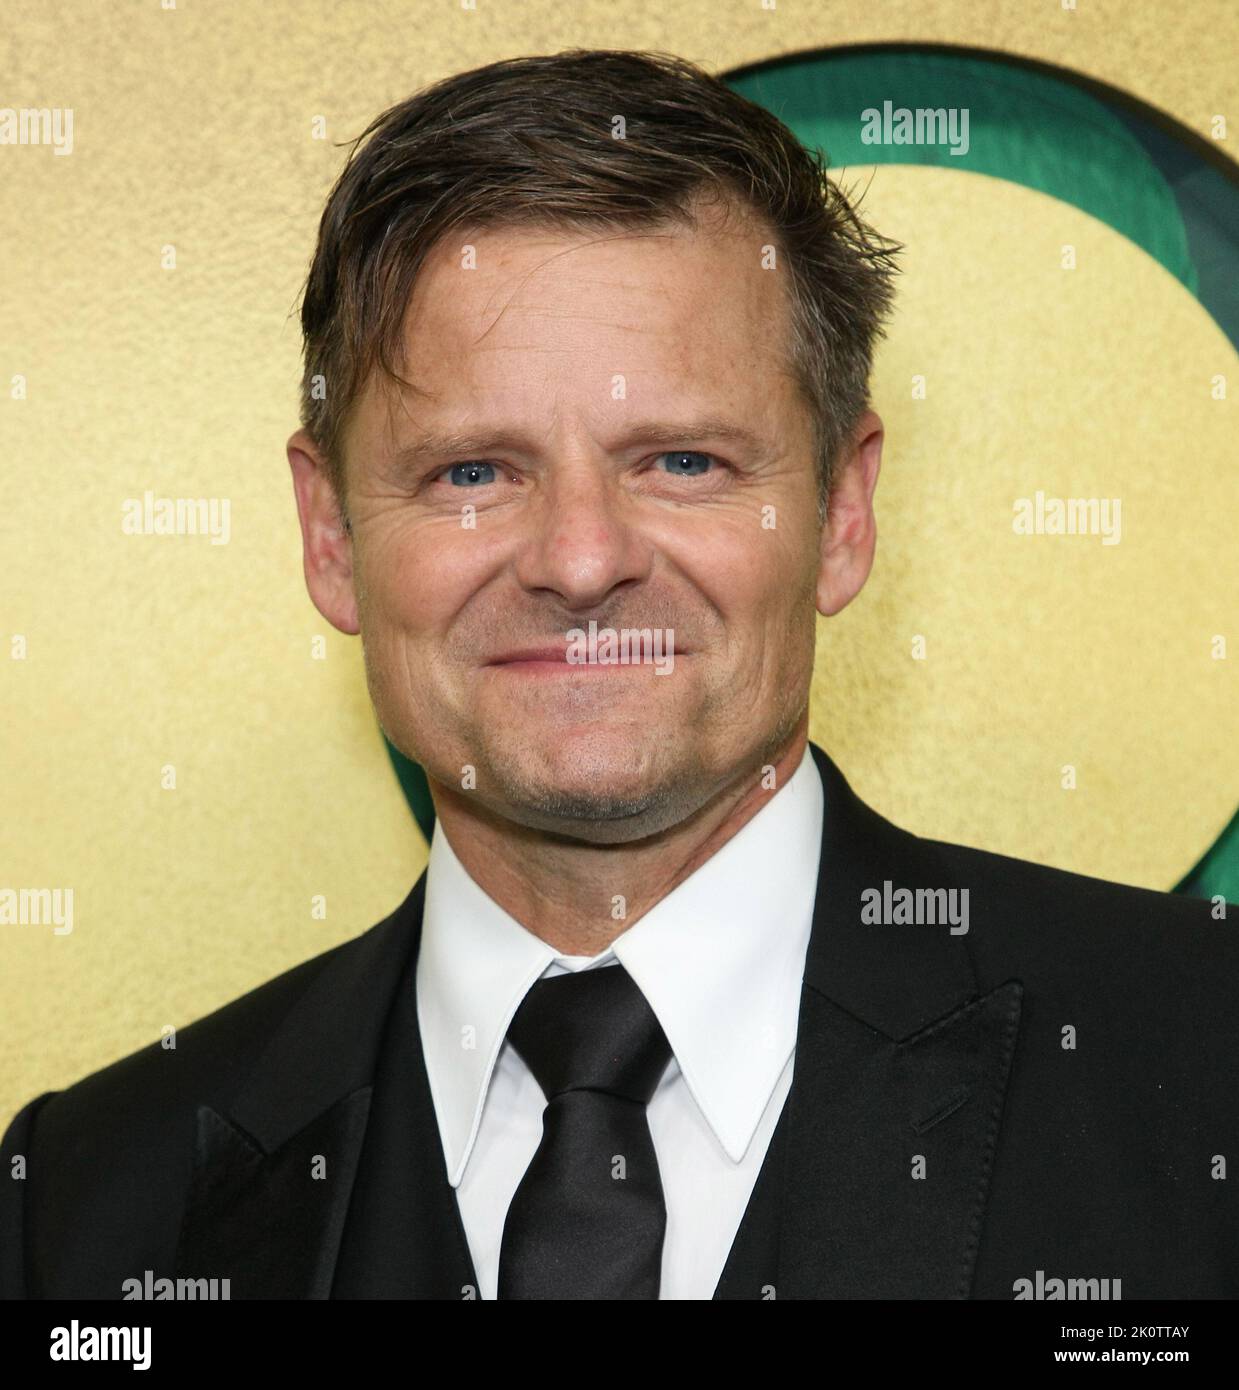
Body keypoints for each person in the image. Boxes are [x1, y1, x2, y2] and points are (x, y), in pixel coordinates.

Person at [2, 48, 1234, 1301]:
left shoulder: (1206, 1065)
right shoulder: (89, 1208)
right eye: (473, 472)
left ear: (843, 511)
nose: (581, 561)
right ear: (330, 539)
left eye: (684, 461)